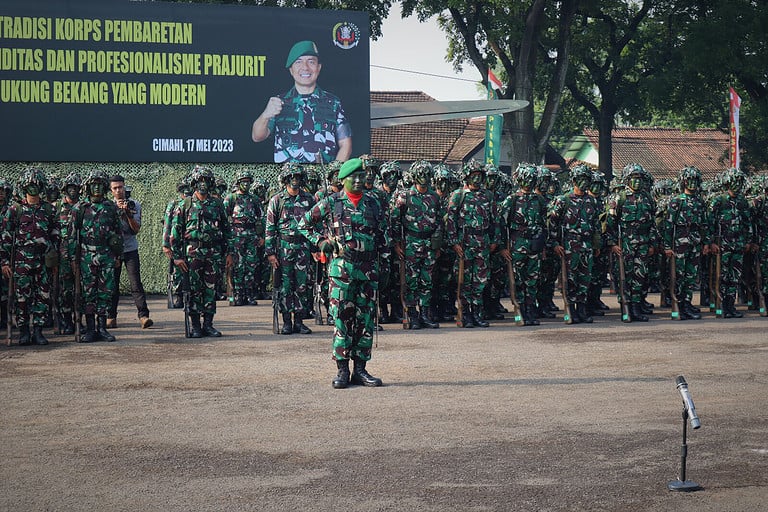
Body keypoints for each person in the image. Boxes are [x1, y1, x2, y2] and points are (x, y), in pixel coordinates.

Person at [297, 158, 389, 389]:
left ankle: (361, 369)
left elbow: (383, 237)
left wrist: (385, 266)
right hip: (342, 272)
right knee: (342, 320)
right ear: (343, 180)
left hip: (367, 271)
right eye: (353, 177)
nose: (358, 181)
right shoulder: (331, 203)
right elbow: (303, 224)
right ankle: (342, 370)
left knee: (365, 320)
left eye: (361, 176)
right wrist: (322, 241)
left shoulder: (374, 204)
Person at [251, 40, 352, 164]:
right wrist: (266, 115)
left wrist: (333, 176)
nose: (305, 67)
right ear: (291, 69)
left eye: (311, 62)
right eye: (298, 62)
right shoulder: (278, 102)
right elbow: (257, 136)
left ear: (319, 68)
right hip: (287, 180)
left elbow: (346, 144)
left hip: (321, 180)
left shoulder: (333, 103)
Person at [169, 167, 232, 338]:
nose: (203, 184)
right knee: (194, 290)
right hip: (192, 253)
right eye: (200, 181)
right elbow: (175, 233)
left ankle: (209, 325)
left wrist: (228, 253)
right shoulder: (185, 204)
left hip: (213, 253)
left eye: (206, 181)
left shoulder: (217, 204)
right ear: (194, 183)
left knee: (211, 289)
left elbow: (227, 230)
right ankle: (195, 325)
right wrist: (177, 257)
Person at [0, 169, 60, 345]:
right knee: (22, 298)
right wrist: (4, 263)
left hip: (43, 262)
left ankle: (39, 331)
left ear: (41, 186)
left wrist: (54, 259)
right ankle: (24, 331)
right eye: (30, 185)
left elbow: (56, 234)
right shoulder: (15, 210)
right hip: (21, 263)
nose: (33, 188)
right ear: (24, 187)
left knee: (43, 296)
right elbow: (5, 237)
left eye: (36, 185)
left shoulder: (49, 209)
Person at [445, 160, 501, 328]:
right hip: (465, 243)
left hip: (482, 243)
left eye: (479, 176)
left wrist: (495, 241)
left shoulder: (488, 196)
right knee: (464, 280)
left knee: (481, 280)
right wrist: (454, 242)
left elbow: (495, 220)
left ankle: (477, 313)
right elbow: (450, 220)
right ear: (467, 177)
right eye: (473, 176)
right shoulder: (458, 195)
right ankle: (466, 313)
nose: (477, 179)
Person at [68, 170, 123, 343]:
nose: (97, 188)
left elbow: (117, 233)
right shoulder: (80, 208)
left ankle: (102, 328)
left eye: (100, 185)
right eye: (94, 185)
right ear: (88, 187)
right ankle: (91, 329)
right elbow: (72, 236)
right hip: (86, 257)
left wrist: (118, 256)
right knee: (89, 293)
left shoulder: (111, 207)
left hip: (106, 255)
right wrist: (73, 259)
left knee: (105, 293)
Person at [391, 160, 443, 329]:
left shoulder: (434, 197)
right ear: (414, 177)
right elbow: (394, 220)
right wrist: (397, 244)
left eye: (427, 174)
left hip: (429, 243)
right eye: (420, 174)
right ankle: (412, 314)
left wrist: (437, 246)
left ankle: (425, 314)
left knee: (427, 280)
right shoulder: (405, 196)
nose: (424, 178)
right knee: (411, 280)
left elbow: (439, 222)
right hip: (411, 243)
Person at [265, 163, 316, 335]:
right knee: (286, 285)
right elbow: (270, 228)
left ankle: (299, 321)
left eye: (298, 177)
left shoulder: (309, 199)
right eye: (291, 177)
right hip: (284, 248)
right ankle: (287, 321)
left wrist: (316, 247)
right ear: (285, 179)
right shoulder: (277, 200)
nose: (295, 180)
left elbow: (316, 224)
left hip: (303, 247)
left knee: (302, 284)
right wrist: (270, 253)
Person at [605, 164, 660, 322]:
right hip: (625, 244)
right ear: (627, 180)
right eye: (634, 178)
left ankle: (636, 308)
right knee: (624, 276)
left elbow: (652, 224)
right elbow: (610, 223)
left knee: (640, 276)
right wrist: (612, 243)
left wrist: (651, 244)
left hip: (643, 243)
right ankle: (625, 307)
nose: (637, 181)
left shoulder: (647, 198)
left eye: (639, 178)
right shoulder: (619, 198)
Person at [548, 165, 602, 324]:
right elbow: (553, 223)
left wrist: (597, 244)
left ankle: (582, 309)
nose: (584, 183)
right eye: (580, 179)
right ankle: (570, 309)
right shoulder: (563, 200)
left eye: (586, 179)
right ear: (574, 181)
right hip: (569, 245)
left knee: (585, 278)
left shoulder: (591, 200)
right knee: (570, 278)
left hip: (587, 245)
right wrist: (555, 244)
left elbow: (596, 225)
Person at [499, 164, 548, 326]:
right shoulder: (511, 200)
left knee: (533, 280)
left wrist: (543, 247)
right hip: (517, 244)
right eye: (526, 179)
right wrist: (503, 247)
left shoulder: (539, 200)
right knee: (517, 279)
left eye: (532, 179)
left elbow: (543, 224)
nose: (529, 182)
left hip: (534, 244)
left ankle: (530, 309)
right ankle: (519, 308)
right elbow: (502, 225)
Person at [662, 166, 709, 320]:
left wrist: (706, 243)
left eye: (695, 180)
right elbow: (668, 225)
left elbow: (704, 225)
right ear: (683, 182)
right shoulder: (676, 201)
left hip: (694, 242)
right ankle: (678, 303)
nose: (692, 183)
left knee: (691, 276)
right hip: (679, 243)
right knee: (678, 276)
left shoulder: (699, 202)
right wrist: (668, 246)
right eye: (689, 180)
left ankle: (687, 303)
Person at [708, 168, 756, 318]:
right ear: (727, 183)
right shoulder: (718, 201)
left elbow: (747, 223)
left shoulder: (742, 202)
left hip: (738, 244)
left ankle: (730, 304)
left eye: (739, 182)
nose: (737, 185)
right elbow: (709, 224)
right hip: (722, 245)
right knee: (722, 276)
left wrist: (748, 241)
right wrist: (711, 243)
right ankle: (721, 304)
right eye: (734, 182)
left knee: (735, 276)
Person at [108, 175, 152, 329]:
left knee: (136, 284)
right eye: (115, 188)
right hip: (113, 252)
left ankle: (143, 316)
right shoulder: (108, 207)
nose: (118, 190)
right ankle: (111, 317)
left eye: (120, 187)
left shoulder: (134, 205)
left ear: (124, 187)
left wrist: (127, 213)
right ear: (111, 190)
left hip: (130, 249)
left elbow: (136, 229)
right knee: (112, 285)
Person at [223, 169, 264, 306]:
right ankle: (238, 294)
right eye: (243, 182)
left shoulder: (254, 199)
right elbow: (223, 218)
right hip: (236, 237)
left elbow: (262, 218)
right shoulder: (231, 198)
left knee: (251, 265)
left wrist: (261, 236)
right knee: (238, 266)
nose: (246, 184)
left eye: (248, 182)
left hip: (251, 236)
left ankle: (250, 294)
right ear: (238, 183)